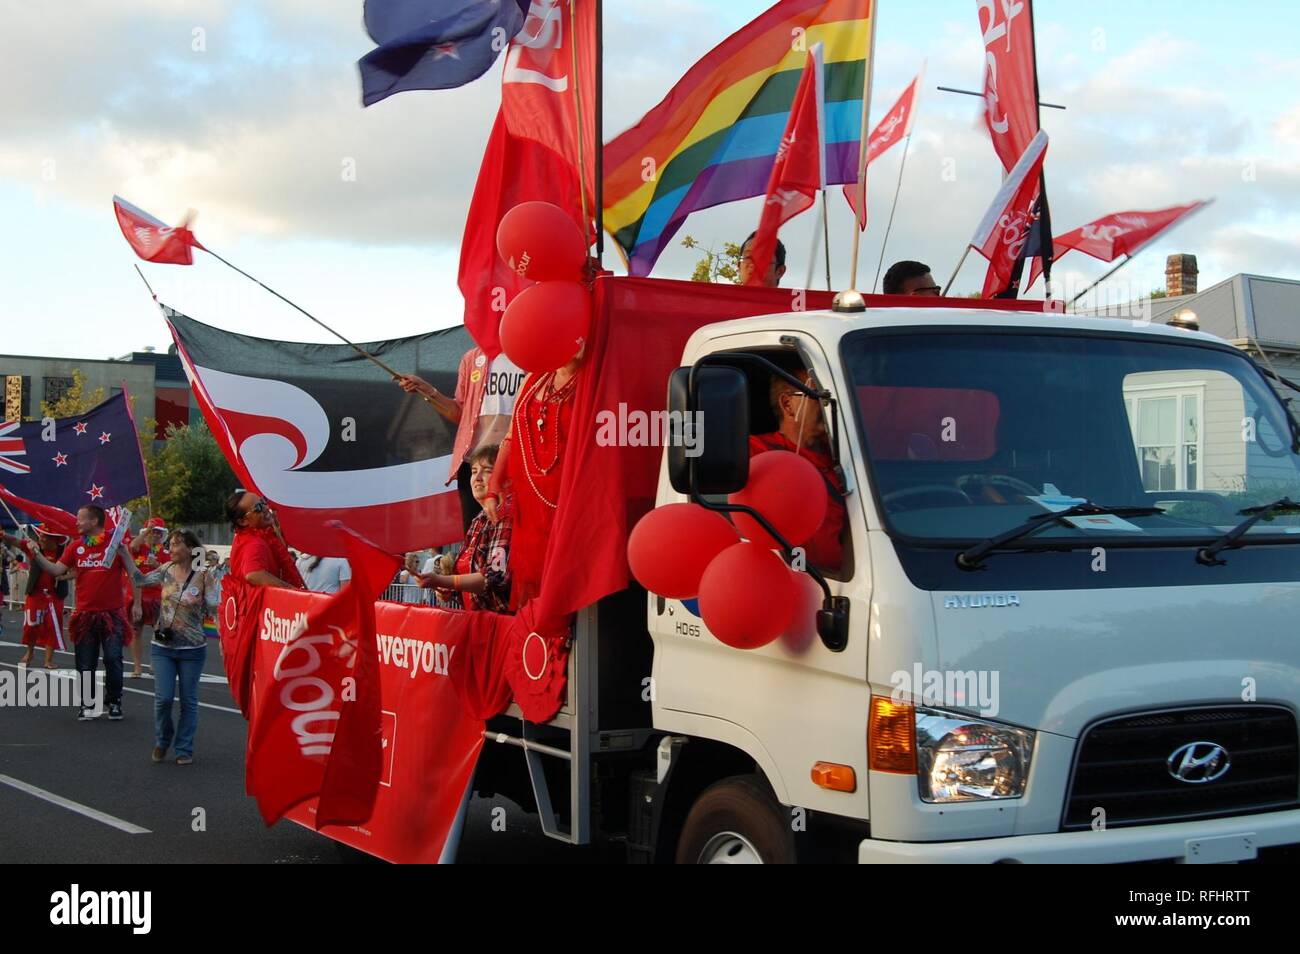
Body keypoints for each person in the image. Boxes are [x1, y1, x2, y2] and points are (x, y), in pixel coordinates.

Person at [23, 505, 139, 721]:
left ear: (94, 521)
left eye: (80, 519)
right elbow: (56, 570)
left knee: (114, 658)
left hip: (112, 614)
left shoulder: (115, 547)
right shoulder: (75, 547)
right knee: (85, 662)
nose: (76, 522)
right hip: (85, 614)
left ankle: (114, 701)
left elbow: (134, 574)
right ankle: (87, 704)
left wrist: (138, 603)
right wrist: (36, 554)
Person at [486, 348, 583, 607]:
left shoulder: (593, 380)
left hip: (573, 502)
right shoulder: (532, 380)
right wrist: (493, 486)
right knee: (532, 585)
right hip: (532, 505)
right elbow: (510, 436)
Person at [395, 345, 527, 532]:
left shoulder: (528, 351)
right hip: (476, 464)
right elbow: (460, 413)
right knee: (475, 534)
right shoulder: (472, 358)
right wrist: (426, 389)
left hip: (516, 463)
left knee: (517, 533)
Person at [127, 529, 218, 766]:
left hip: (192, 648)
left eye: (176, 544)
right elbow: (139, 580)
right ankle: (163, 739)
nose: (170, 548)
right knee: (164, 699)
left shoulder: (203, 574)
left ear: (190, 549)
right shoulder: (165, 570)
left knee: (188, 701)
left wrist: (206, 596)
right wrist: (123, 553)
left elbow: (215, 605)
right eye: (170, 544)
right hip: (163, 646)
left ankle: (184, 747)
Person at [750, 367, 848, 571]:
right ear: (788, 404)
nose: (830, 407)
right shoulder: (756, 453)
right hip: (788, 577)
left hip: (853, 582)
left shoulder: (847, 457)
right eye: (821, 397)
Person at [419, 444, 512, 612]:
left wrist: (445, 581)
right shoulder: (478, 521)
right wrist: (451, 591)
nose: (477, 478)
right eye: (474, 471)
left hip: (501, 626)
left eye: (487, 470)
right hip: (477, 624)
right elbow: (468, 581)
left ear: (504, 478)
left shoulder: (504, 516)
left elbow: (496, 579)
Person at [1, 526, 69, 669]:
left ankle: (48, 660)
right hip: (35, 594)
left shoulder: (65, 552)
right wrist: (3, 534)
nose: (41, 538)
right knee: (31, 626)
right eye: (40, 535)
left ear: (55, 539)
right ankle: (30, 652)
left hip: (55, 595)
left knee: (52, 627)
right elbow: (16, 542)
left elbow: (76, 570)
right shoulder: (33, 548)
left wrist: (65, 576)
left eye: (45, 536)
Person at [224, 491, 305, 589]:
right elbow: (253, 574)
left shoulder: (246, 538)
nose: (266, 508)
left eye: (263, 502)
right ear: (243, 521)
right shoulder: (254, 543)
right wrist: (291, 590)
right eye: (258, 508)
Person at [127, 516, 169, 679]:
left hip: (157, 598)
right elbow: (132, 545)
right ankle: (137, 666)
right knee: (136, 632)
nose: (155, 535)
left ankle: (155, 662)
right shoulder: (139, 548)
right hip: (138, 598)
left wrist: (157, 565)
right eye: (153, 532)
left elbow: (171, 573)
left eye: (159, 532)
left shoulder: (165, 553)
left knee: (159, 631)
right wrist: (146, 532)